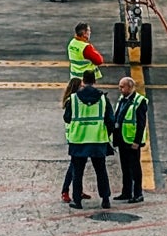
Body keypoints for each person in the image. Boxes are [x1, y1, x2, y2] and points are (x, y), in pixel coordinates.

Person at [62, 69, 115, 210]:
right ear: (94, 81)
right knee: (101, 171)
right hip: (98, 140)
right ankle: (105, 199)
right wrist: (105, 134)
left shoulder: (73, 98)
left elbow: (67, 117)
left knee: (77, 172)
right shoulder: (103, 98)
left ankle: (77, 200)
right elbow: (110, 119)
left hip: (78, 140)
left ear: (83, 81)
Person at [112, 77, 149, 203]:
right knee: (125, 167)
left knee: (135, 168)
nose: (120, 89)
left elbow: (141, 124)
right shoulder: (122, 100)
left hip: (132, 141)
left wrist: (137, 142)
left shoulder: (140, 102)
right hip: (122, 139)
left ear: (130, 87)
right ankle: (126, 192)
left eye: (122, 87)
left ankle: (138, 193)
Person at [62, 22, 104, 101]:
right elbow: (99, 60)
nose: (90, 33)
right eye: (89, 31)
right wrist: (92, 48)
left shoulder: (72, 43)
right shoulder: (86, 47)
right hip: (86, 78)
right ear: (84, 33)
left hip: (74, 76)